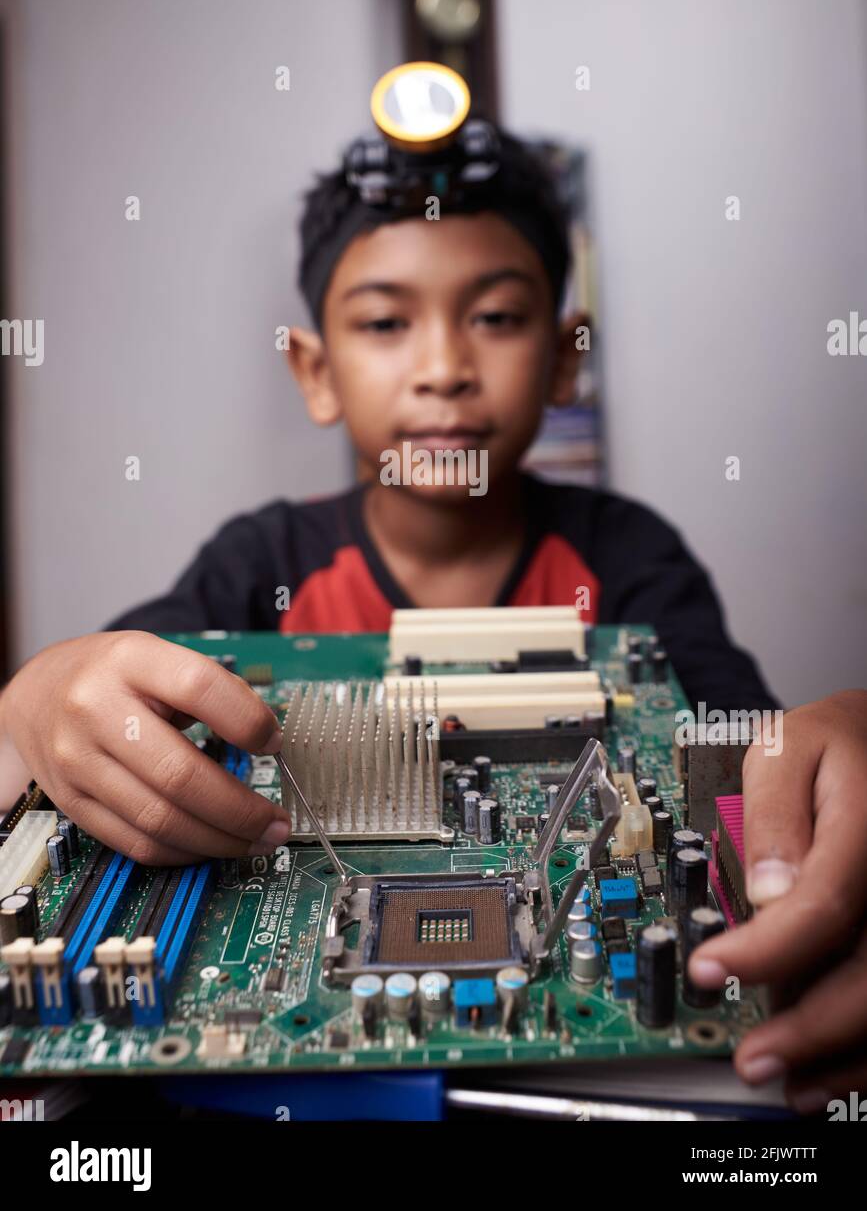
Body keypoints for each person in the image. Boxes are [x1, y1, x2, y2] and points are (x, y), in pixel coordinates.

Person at [0, 90, 864, 1114]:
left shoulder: (632, 558)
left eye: (496, 316)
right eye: (385, 322)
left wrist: (833, 742)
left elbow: (748, 760)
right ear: (314, 370)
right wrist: (35, 696)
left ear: (563, 356)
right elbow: (102, 711)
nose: (446, 368)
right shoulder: (255, 562)